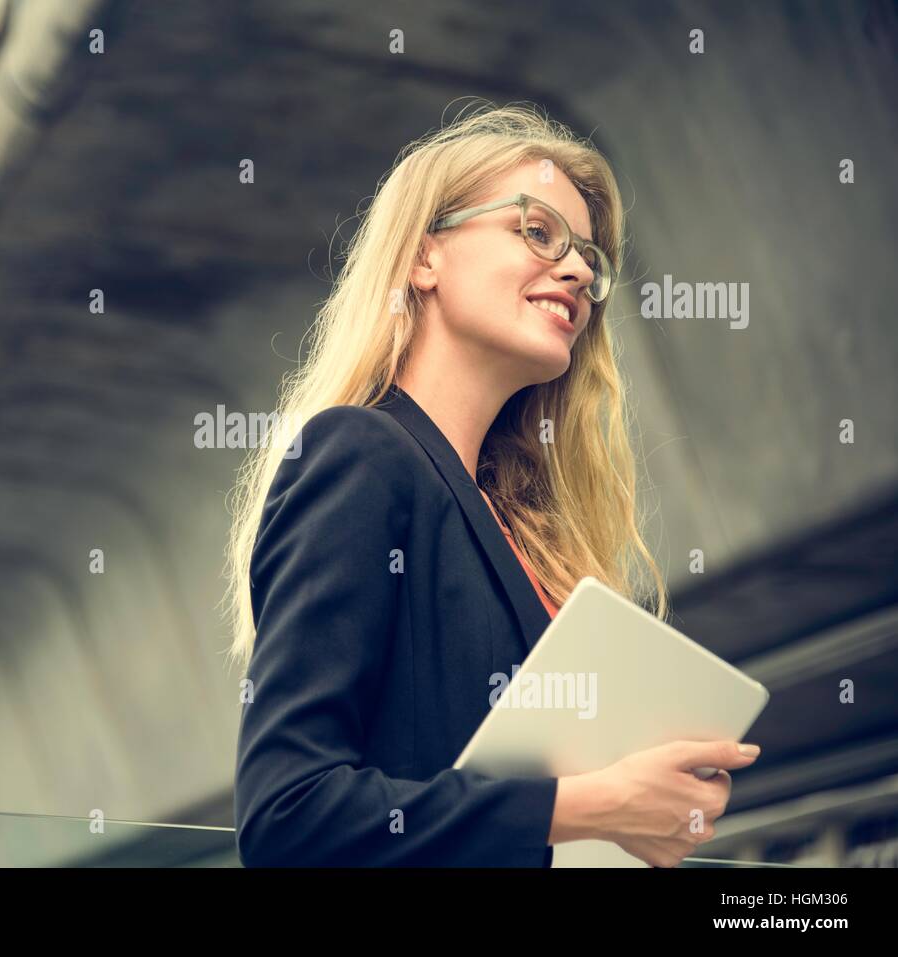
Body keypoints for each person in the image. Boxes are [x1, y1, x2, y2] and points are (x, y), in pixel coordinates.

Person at [222, 102, 760, 867]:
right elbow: (288, 816)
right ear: (423, 257)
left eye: (588, 258)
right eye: (537, 231)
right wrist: (588, 806)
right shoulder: (360, 454)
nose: (578, 269)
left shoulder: (518, 526)